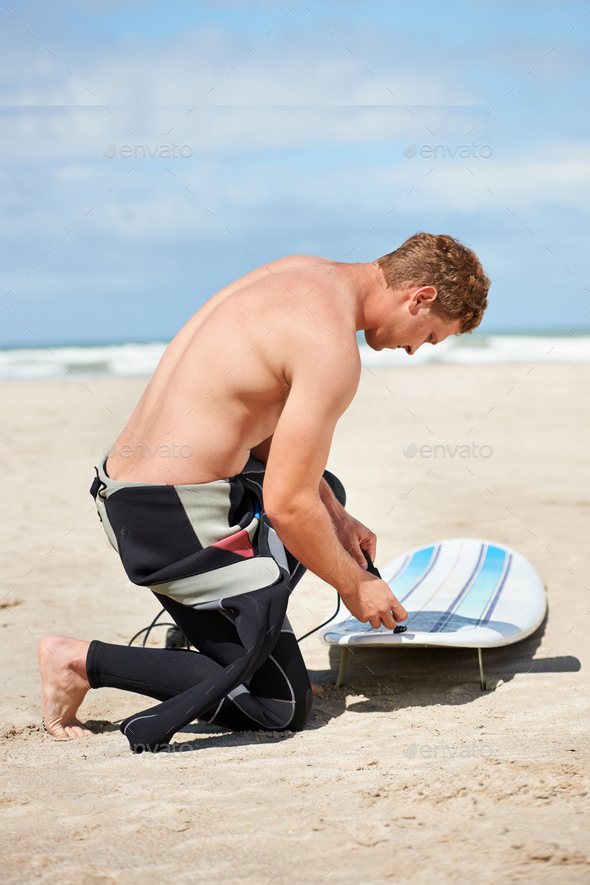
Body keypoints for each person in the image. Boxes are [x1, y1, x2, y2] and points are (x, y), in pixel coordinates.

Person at [39, 232, 489, 752]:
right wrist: (355, 586)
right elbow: (287, 506)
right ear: (420, 297)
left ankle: (214, 634)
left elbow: (260, 431)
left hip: (129, 490)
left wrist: (337, 517)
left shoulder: (302, 272)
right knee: (281, 706)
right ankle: (80, 662)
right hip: (168, 519)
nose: (414, 349)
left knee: (327, 492)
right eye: (428, 336)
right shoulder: (331, 349)